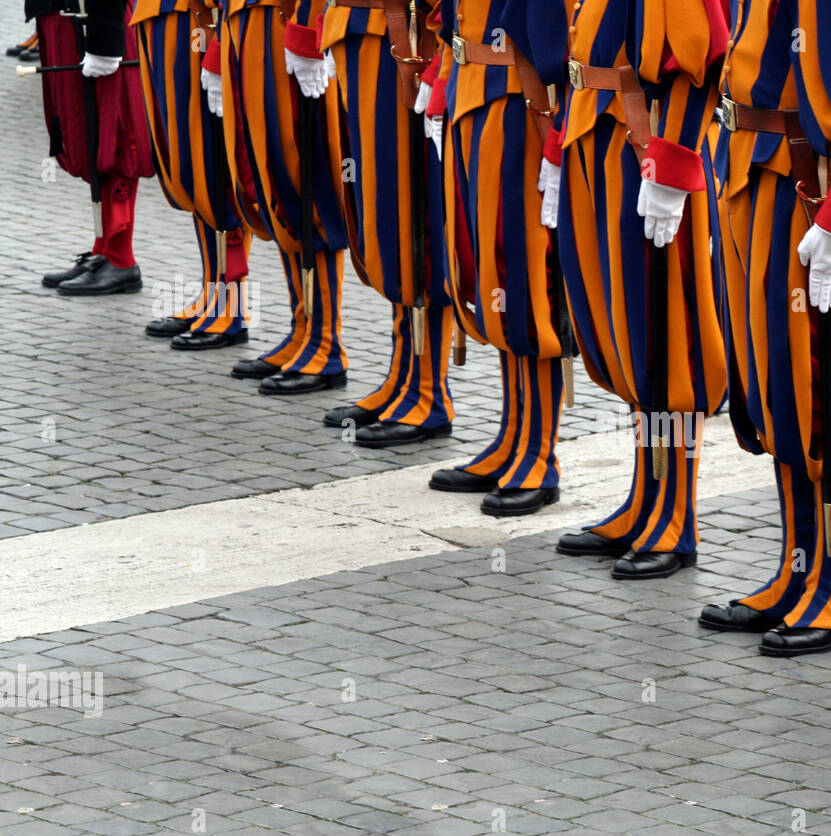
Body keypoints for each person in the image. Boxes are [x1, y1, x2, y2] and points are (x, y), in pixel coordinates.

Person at [700, 0, 831, 656]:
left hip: (799, 180)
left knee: (820, 390)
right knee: (774, 384)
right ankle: (798, 569)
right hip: (751, 165)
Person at [554, 0, 730, 580]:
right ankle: (645, 496)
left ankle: (675, 513)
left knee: (667, 337)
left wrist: (674, 163)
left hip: (645, 143)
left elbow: (696, 56)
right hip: (595, 125)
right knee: (627, 331)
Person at [424, 0, 572, 515]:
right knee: (491, 270)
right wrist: (444, 80)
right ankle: (512, 438)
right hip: (474, 92)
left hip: (521, 101)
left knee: (527, 274)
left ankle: (539, 453)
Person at [318, 0, 455, 448]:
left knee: (416, 218)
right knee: (384, 218)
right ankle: (403, 378)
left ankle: (429, 392)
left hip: (408, 38)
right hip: (366, 31)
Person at [223, 0, 350, 396]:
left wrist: (309, 31)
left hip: (285, 18)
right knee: (276, 185)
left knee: (307, 185)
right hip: (250, 22)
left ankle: (326, 342)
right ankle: (304, 329)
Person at [133, 0, 253, 350]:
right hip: (160, 15)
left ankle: (230, 304)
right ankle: (211, 292)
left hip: (199, 18)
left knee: (214, 166)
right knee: (191, 167)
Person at [29, 0, 153, 296]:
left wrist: (106, 37)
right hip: (62, 13)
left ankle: (121, 257)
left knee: (115, 134)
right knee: (86, 136)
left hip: (94, 13)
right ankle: (103, 248)